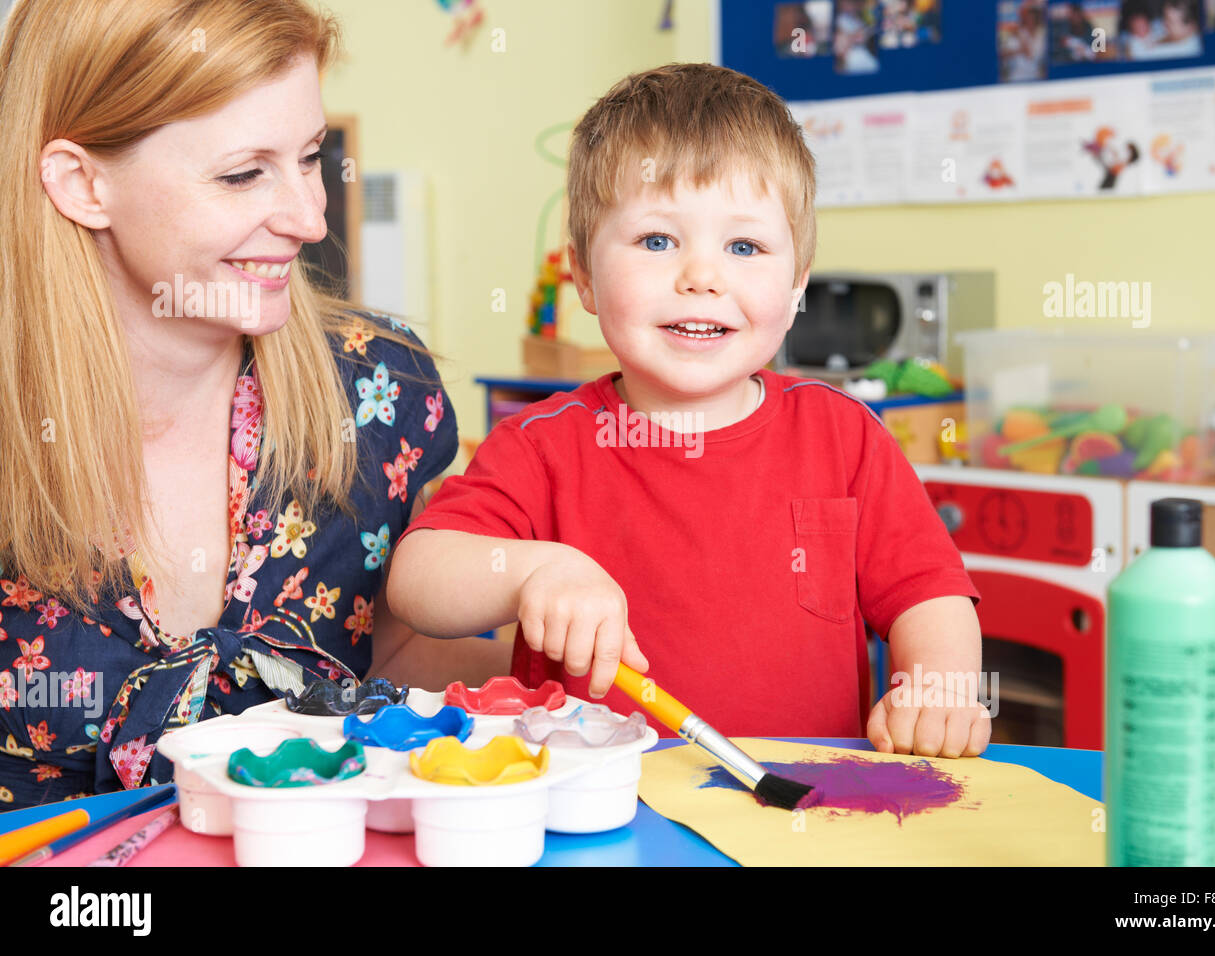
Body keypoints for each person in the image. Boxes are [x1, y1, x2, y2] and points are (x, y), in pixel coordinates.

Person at [387, 64, 990, 758]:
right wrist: (533, 572)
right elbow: (416, 578)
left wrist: (939, 689)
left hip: (805, 815)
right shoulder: (541, 445)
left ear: (796, 283)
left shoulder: (844, 434)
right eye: (656, 241)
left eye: (744, 247)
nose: (701, 277)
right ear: (582, 274)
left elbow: (928, 594)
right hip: (603, 812)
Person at [0, 0, 505, 809]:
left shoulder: (379, 394)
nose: (310, 220)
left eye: (309, 158)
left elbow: (389, 666)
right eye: (243, 173)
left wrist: (568, 655)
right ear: (81, 183)